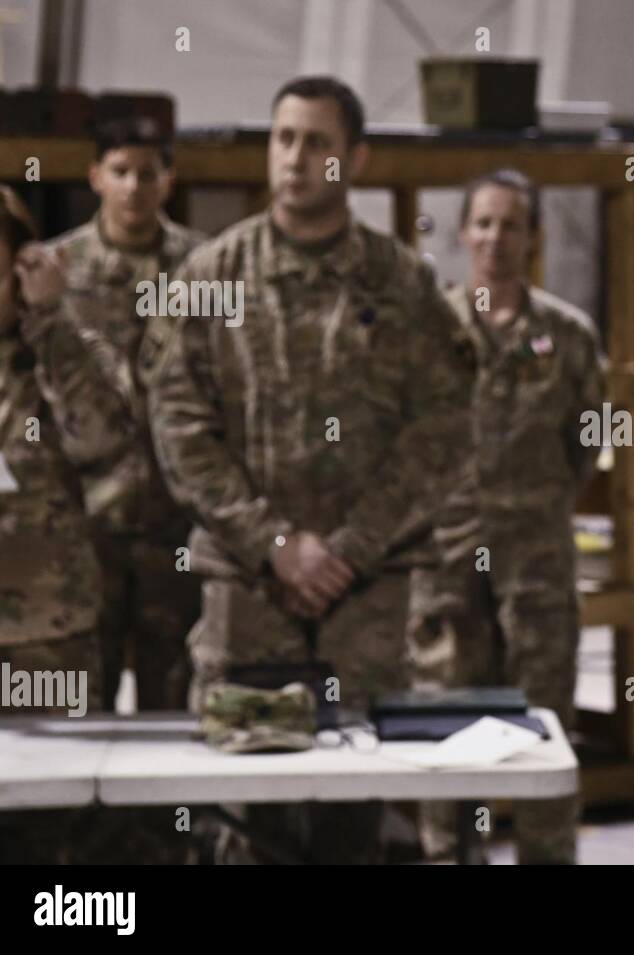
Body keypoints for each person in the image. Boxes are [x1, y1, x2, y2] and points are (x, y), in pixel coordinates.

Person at [144, 76, 477, 864]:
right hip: (249, 597)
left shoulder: (403, 284)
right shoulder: (207, 280)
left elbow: (443, 431)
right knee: (241, 824)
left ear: (353, 158)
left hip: (366, 601)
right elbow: (180, 428)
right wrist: (275, 543)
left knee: (351, 825)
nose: (295, 158)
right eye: (283, 138)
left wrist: (353, 546)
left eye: (317, 141)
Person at [426, 169, 604, 864]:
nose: (496, 238)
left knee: (543, 728)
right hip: (446, 559)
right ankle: (450, 854)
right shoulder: (430, 332)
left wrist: (531, 503)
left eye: (511, 224)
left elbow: (585, 443)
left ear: (535, 237)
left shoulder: (567, 335)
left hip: (536, 561)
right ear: (465, 232)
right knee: (447, 725)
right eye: (484, 223)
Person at [0, 182, 133, 862]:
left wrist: (50, 324)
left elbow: (104, 435)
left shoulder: (63, 345)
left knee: (51, 831)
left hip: (45, 637)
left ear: (23, 273)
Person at [49, 116, 207, 712]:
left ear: (168, 181)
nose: (134, 186)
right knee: (83, 699)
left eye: (148, 173)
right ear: (95, 177)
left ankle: (165, 813)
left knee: (170, 704)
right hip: (84, 522)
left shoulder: (203, 269)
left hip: (176, 522)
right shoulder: (56, 270)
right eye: (120, 172)